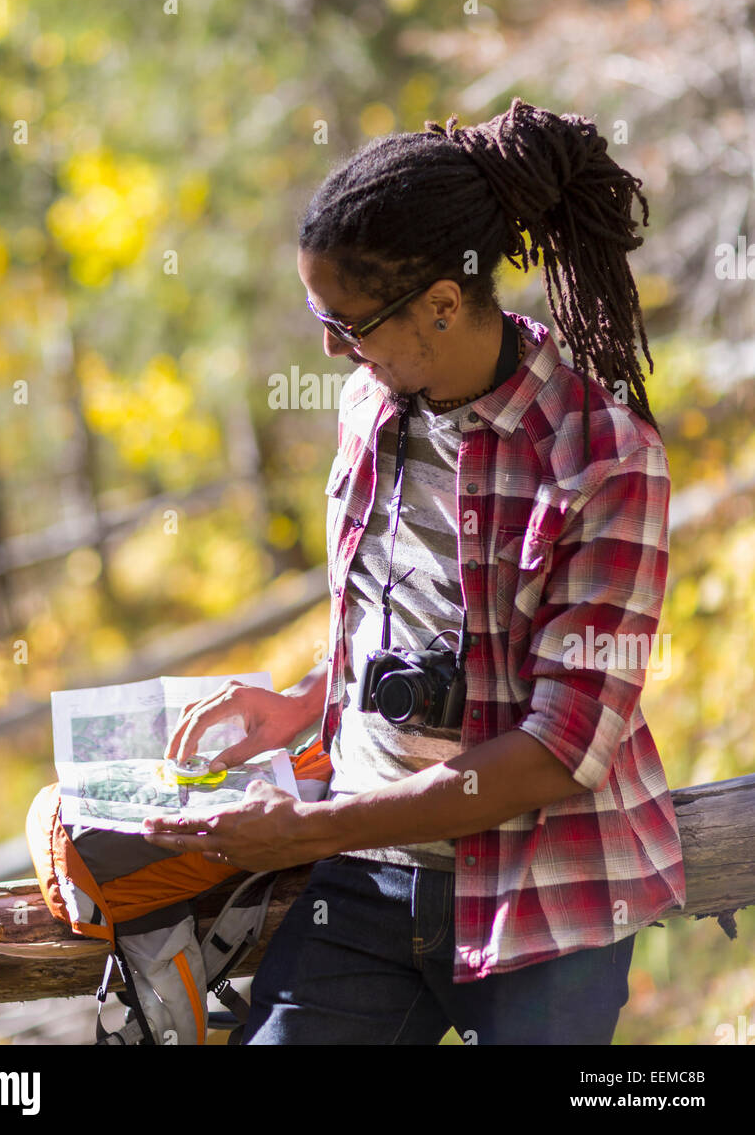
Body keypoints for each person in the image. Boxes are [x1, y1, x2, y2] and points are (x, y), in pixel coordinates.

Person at [142, 97, 687, 1045]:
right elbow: (390, 626)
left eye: (347, 322)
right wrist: (309, 701)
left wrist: (306, 832)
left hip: (540, 903)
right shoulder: (371, 404)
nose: (329, 347)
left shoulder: (603, 459)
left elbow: (563, 749)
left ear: (441, 302)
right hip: (364, 883)